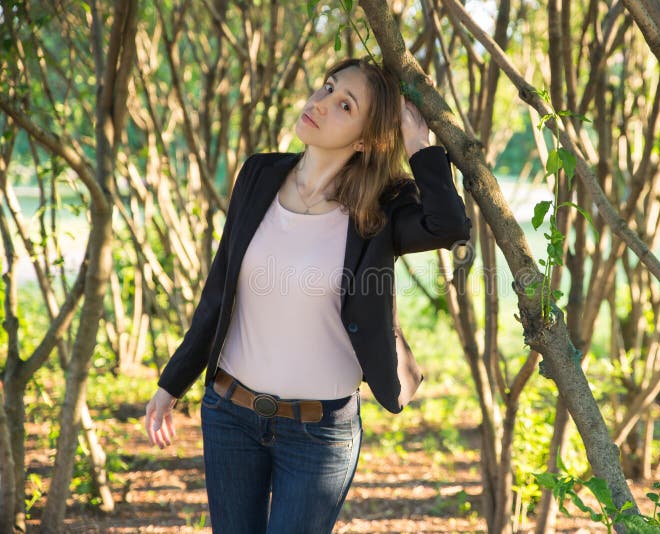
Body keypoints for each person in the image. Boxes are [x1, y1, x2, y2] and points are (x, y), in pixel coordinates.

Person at [144, 57, 471, 533]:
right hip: (229, 414)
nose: (320, 103)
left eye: (344, 104)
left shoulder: (379, 211)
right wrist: (172, 381)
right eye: (326, 87)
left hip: (320, 435)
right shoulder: (258, 175)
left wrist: (418, 143)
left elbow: (448, 225)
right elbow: (219, 292)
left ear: (365, 139)